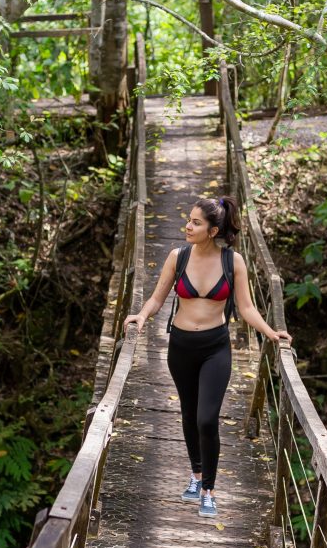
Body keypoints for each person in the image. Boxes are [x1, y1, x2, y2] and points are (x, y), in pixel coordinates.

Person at [124, 196, 292, 519]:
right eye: (189, 220)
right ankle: (196, 474)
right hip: (181, 347)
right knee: (188, 415)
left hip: (216, 347)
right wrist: (141, 317)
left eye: (196, 223)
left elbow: (245, 308)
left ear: (213, 230)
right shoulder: (178, 256)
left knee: (206, 419)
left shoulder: (233, 262)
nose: (188, 226)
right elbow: (158, 297)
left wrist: (271, 333)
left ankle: (209, 491)